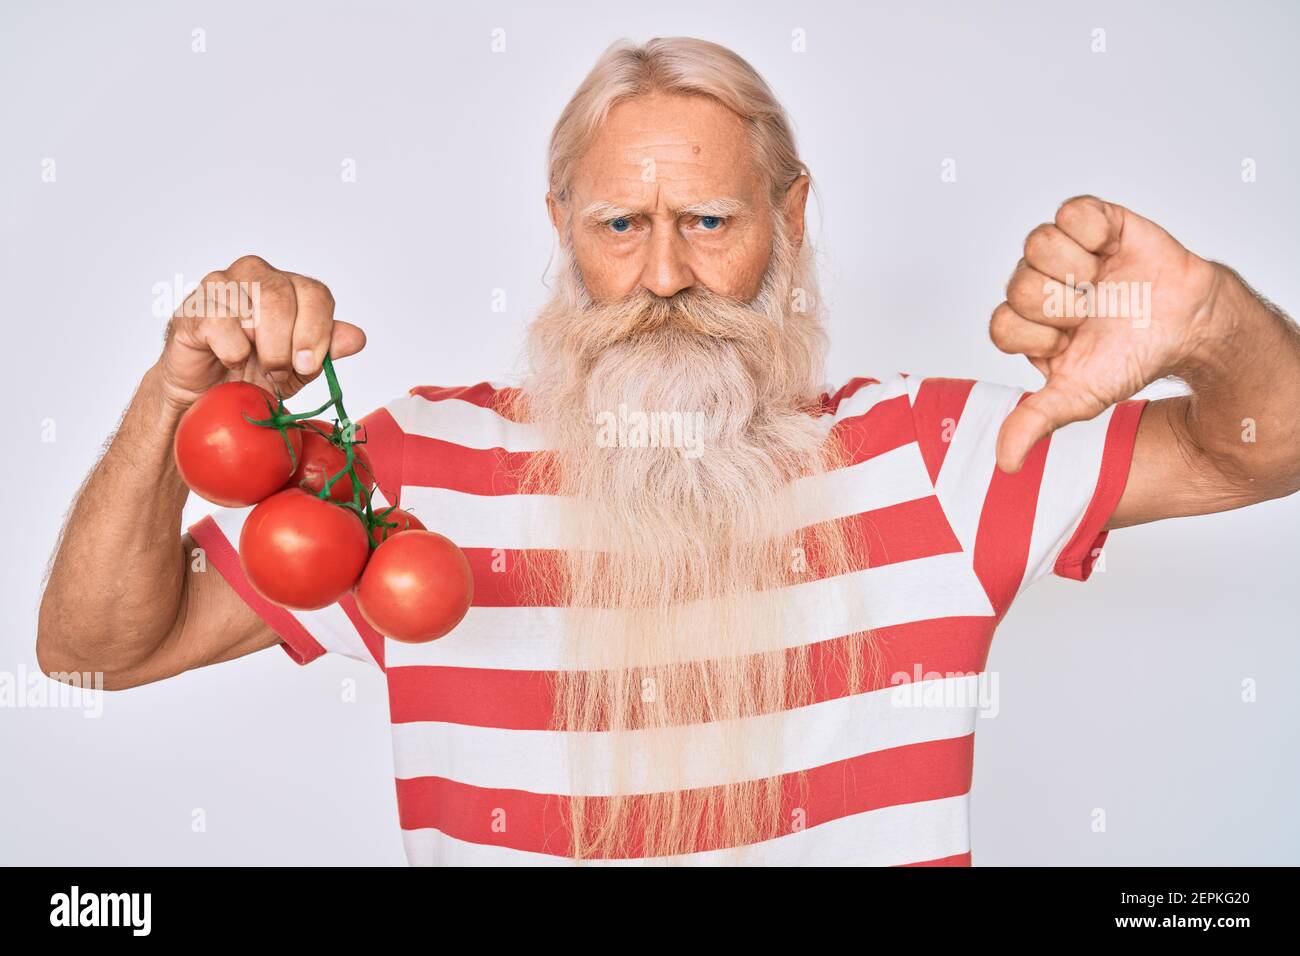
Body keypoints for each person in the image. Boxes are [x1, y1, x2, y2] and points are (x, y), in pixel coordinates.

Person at [37, 37, 1300, 866]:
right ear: (558, 228)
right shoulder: (410, 467)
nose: (660, 274)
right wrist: (175, 398)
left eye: (708, 219)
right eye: (617, 223)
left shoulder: (937, 456)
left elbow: (1264, 449)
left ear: (789, 218)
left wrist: (1208, 320)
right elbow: (94, 654)